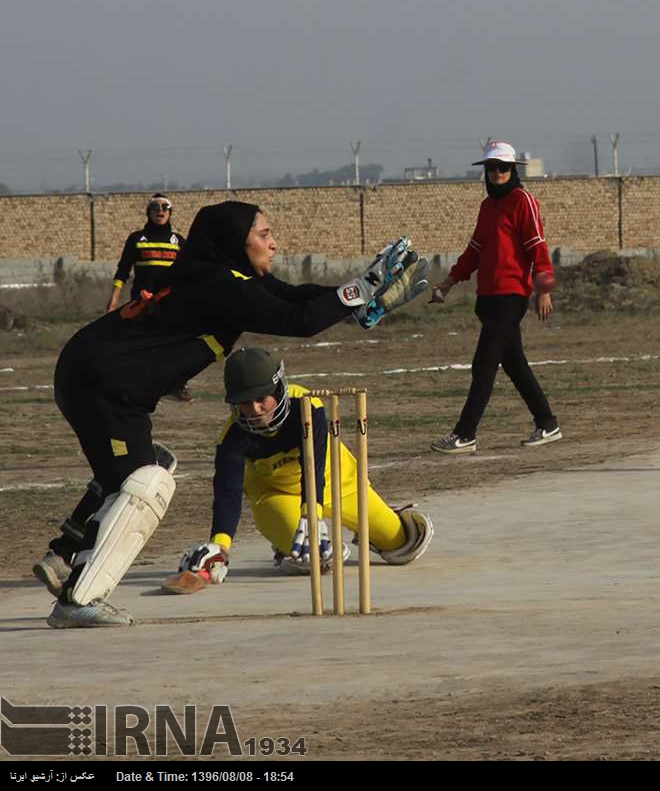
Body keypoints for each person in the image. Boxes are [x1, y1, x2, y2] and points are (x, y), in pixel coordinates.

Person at [33, 199, 431, 628]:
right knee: (146, 482)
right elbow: (299, 320)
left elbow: (294, 297)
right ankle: (80, 598)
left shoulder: (218, 276)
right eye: (263, 235)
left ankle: (64, 554)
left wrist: (355, 300)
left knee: (145, 465)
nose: (274, 244)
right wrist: (365, 286)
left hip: (92, 370)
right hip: (103, 386)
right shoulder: (222, 285)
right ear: (233, 242)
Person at [170, 348, 432, 589]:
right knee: (317, 556)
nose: (255, 410)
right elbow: (227, 492)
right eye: (245, 402)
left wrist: (312, 514)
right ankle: (284, 546)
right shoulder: (232, 437)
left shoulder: (306, 406)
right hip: (275, 494)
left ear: (279, 388)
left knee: (403, 545)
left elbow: (314, 465)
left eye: (262, 399)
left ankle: (379, 526)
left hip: (337, 481)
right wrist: (220, 546)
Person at [429, 141, 561, 454]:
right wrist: (447, 283)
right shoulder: (487, 207)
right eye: (492, 168)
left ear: (513, 169)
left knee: (484, 365)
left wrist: (544, 289)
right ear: (485, 171)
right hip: (487, 298)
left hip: (510, 296)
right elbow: (474, 251)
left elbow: (537, 247)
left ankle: (465, 434)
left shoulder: (523, 200)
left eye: (503, 167)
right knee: (515, 364)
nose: (498, 173)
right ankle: (547, 423)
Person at [107, 194, 185, 312]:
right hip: (141, 301)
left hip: (170, 301)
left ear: (170, 213)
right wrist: (114, 299)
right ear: (148, 212)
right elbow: (123, 270)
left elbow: (189, 270)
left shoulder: (178, 241)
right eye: (155, 207)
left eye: (165, 207)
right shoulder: (136, 238)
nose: (160, 210)